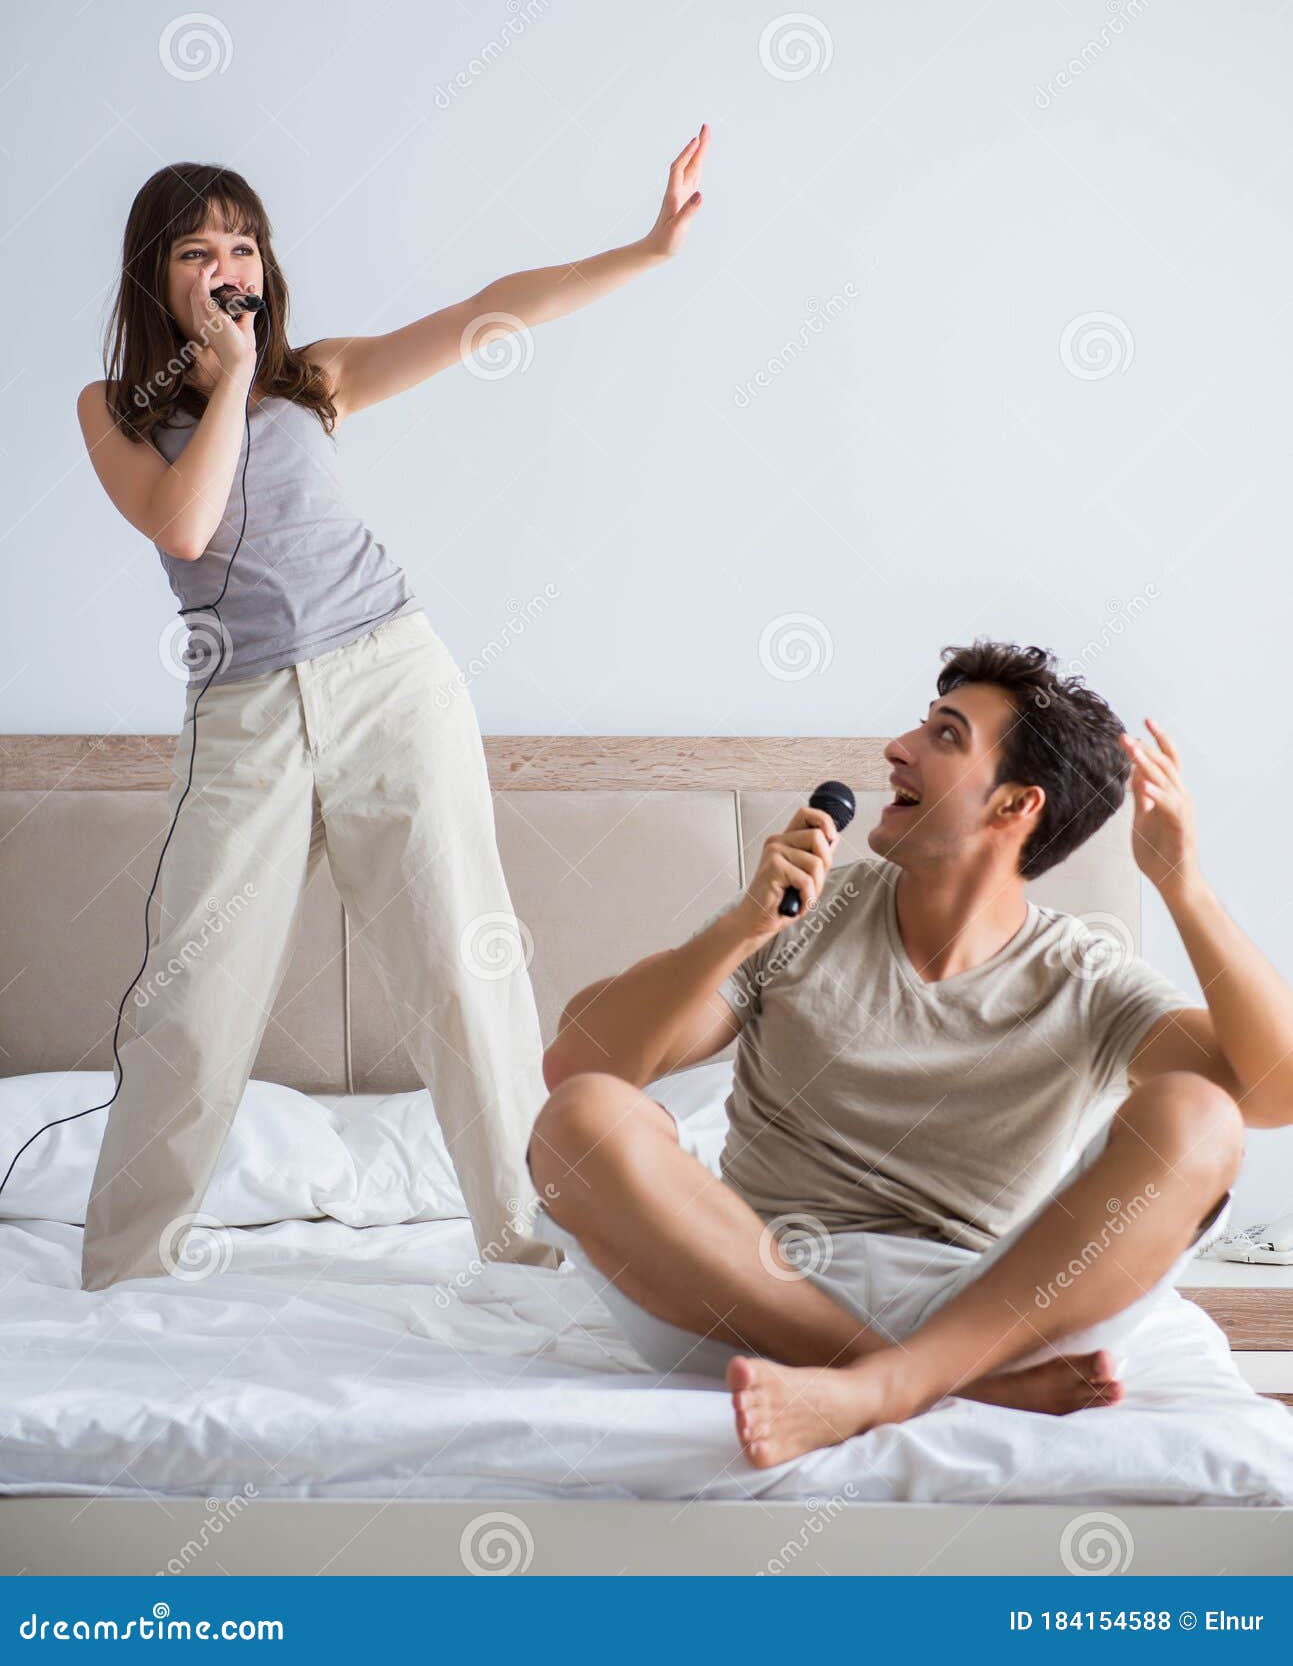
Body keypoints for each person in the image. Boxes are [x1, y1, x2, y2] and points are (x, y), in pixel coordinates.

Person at [76, 131, 709, 1291]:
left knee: (464, 970)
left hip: (391, 680)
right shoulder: (114, 410)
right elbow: (183, 524)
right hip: (246, 716)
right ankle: (122, 1272)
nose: (230, 265)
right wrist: (221, 382)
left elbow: (484, 313)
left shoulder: (315, 377)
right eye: (197, 251)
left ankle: (529, 1240)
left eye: (246, 245)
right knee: (194, 1004)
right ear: (154, 278)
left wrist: (647, 249)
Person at [529, 640, 1293, 1468]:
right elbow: (580, 1065)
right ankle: (924, 1382)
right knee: (583, 1116)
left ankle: (884, 1382)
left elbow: (1273, 1093)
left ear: (1014, 807)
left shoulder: (1083, 977)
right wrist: (740, 927)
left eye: (946, 736)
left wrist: (1181, 883)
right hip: (742, 1295)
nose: (898, 748)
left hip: (976, 1306)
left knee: (1200, 1116)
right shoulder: (803, 918)